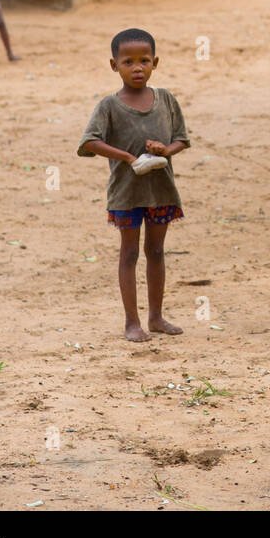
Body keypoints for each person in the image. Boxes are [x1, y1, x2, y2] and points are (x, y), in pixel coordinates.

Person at [77, 28, 190, 342]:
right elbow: (89, 142)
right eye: (128, 62)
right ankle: (132, 322)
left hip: (161, 191)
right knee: (129, 254)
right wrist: (128, 157)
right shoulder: (109, 107)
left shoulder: (165, 100)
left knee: (156, 250)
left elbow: (181, 139)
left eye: (144, 61)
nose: (137, 67)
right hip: (127, 193)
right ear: (114, 65)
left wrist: (165, 151)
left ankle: (156, 317)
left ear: (155, 62)